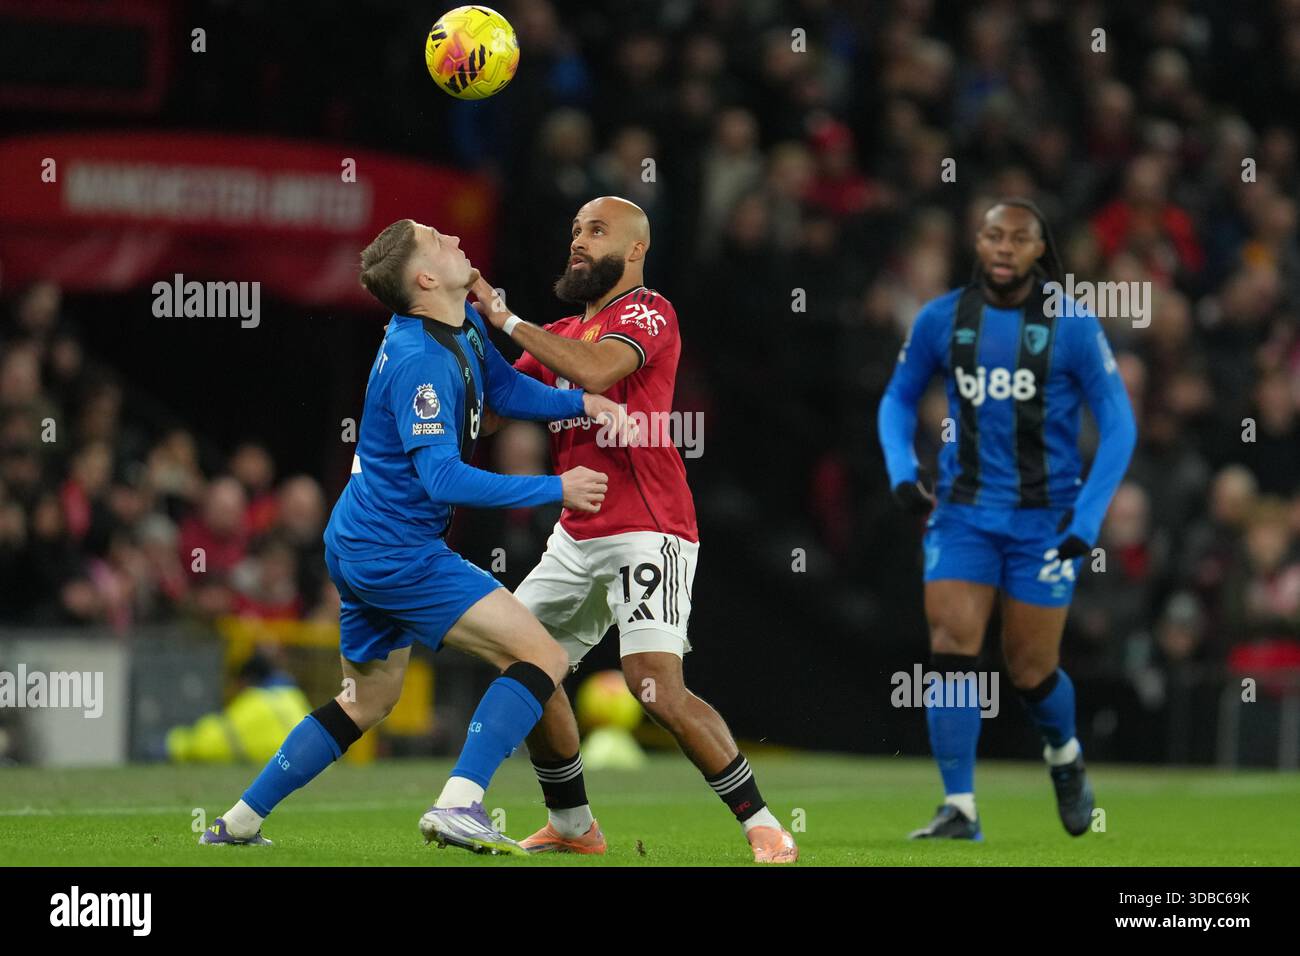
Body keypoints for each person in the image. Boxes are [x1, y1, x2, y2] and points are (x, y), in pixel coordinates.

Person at [202, 218, 621, 855]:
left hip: (361, 540)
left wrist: (579, 405)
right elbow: (444, 477)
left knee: (368, 698)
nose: (454, 239)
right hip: (393, 550)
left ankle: (237, 822)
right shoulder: (419, 361)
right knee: (544, 657)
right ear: (425, 279)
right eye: (437, 240)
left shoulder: (460, 321)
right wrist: (553, 489)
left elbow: (502, 389)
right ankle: (460, 801)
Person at [471, 196, 798, 863]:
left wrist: (503, 316)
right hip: (576, 531)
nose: (579, 243)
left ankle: (762, 821)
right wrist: (460, 335)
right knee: (521, 661)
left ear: (637, 248)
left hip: (649, 526)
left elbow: (595, 371)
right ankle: (572, 824)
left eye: (596, 231)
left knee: (653, 683)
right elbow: (493, 417)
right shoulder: (561, 333)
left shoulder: (648, 312)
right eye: (574, 232)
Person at [877, 199, 1137, 839]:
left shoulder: (1071, 325)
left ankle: (1065, 754)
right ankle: (959, 807)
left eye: (1018, 238)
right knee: (952, 647)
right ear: (978, 240)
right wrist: (902, 471)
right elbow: (898, 396)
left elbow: (1120, 424)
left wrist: (1088, 517)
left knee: (1029, 671)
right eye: (993, 234)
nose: (1002, 246)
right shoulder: (943, 319)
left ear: (1038, 250)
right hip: (963, 513)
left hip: (1044, 520)